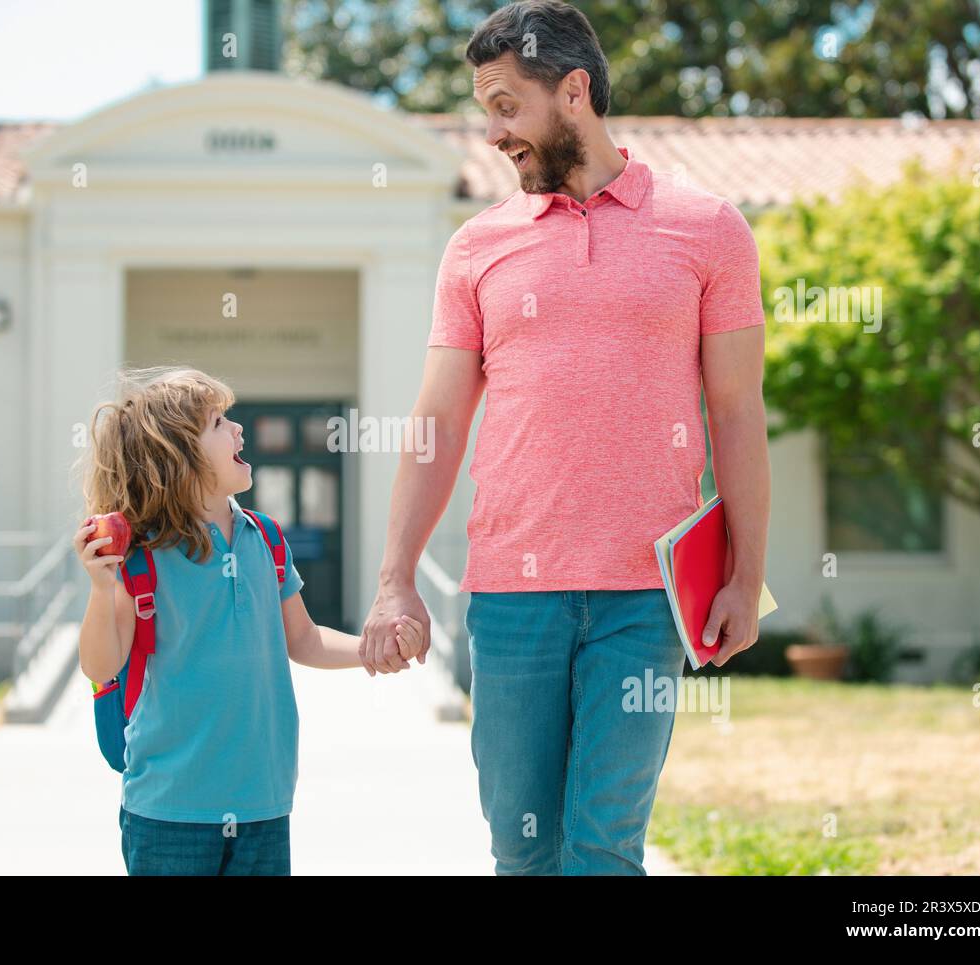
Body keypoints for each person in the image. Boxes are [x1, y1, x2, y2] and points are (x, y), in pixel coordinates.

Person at [359, 0, 771, 875]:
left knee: (603, 846)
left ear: (574, 91)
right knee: (523, 846)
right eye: (485, 111)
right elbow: (436, 422)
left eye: (508, 106)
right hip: (512, 598)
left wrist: (746, 574)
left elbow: (737, 411)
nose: (495, 132)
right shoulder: (477, 249)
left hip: (646, 597)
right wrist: (396, 581)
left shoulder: (708, 230)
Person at [74, 365, 421, 875]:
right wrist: (103, 589)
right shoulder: (142, 557)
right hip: (170, 812)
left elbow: (303, 639)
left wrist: (375, 649)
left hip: (264, 804)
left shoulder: (266, 539)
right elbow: (99, 665)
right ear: (177, 456)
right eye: (218, 423)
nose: (239, 430)